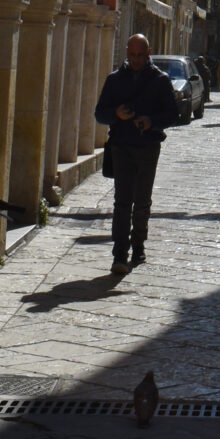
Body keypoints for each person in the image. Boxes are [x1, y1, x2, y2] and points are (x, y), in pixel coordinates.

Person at [94, 34, 177, 273]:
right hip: (121, 146)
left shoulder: (160, 81)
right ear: (127, 53)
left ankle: (138, 243)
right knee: (122, 202)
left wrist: (151, 121)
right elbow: (100, 113)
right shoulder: (115, 80)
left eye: (140, 55)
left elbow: (172, 114)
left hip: (148, 146)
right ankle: (119, 253)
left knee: (141, 201)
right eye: (132, 55)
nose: (136, 59)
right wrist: (116, 114)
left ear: (148, 53)